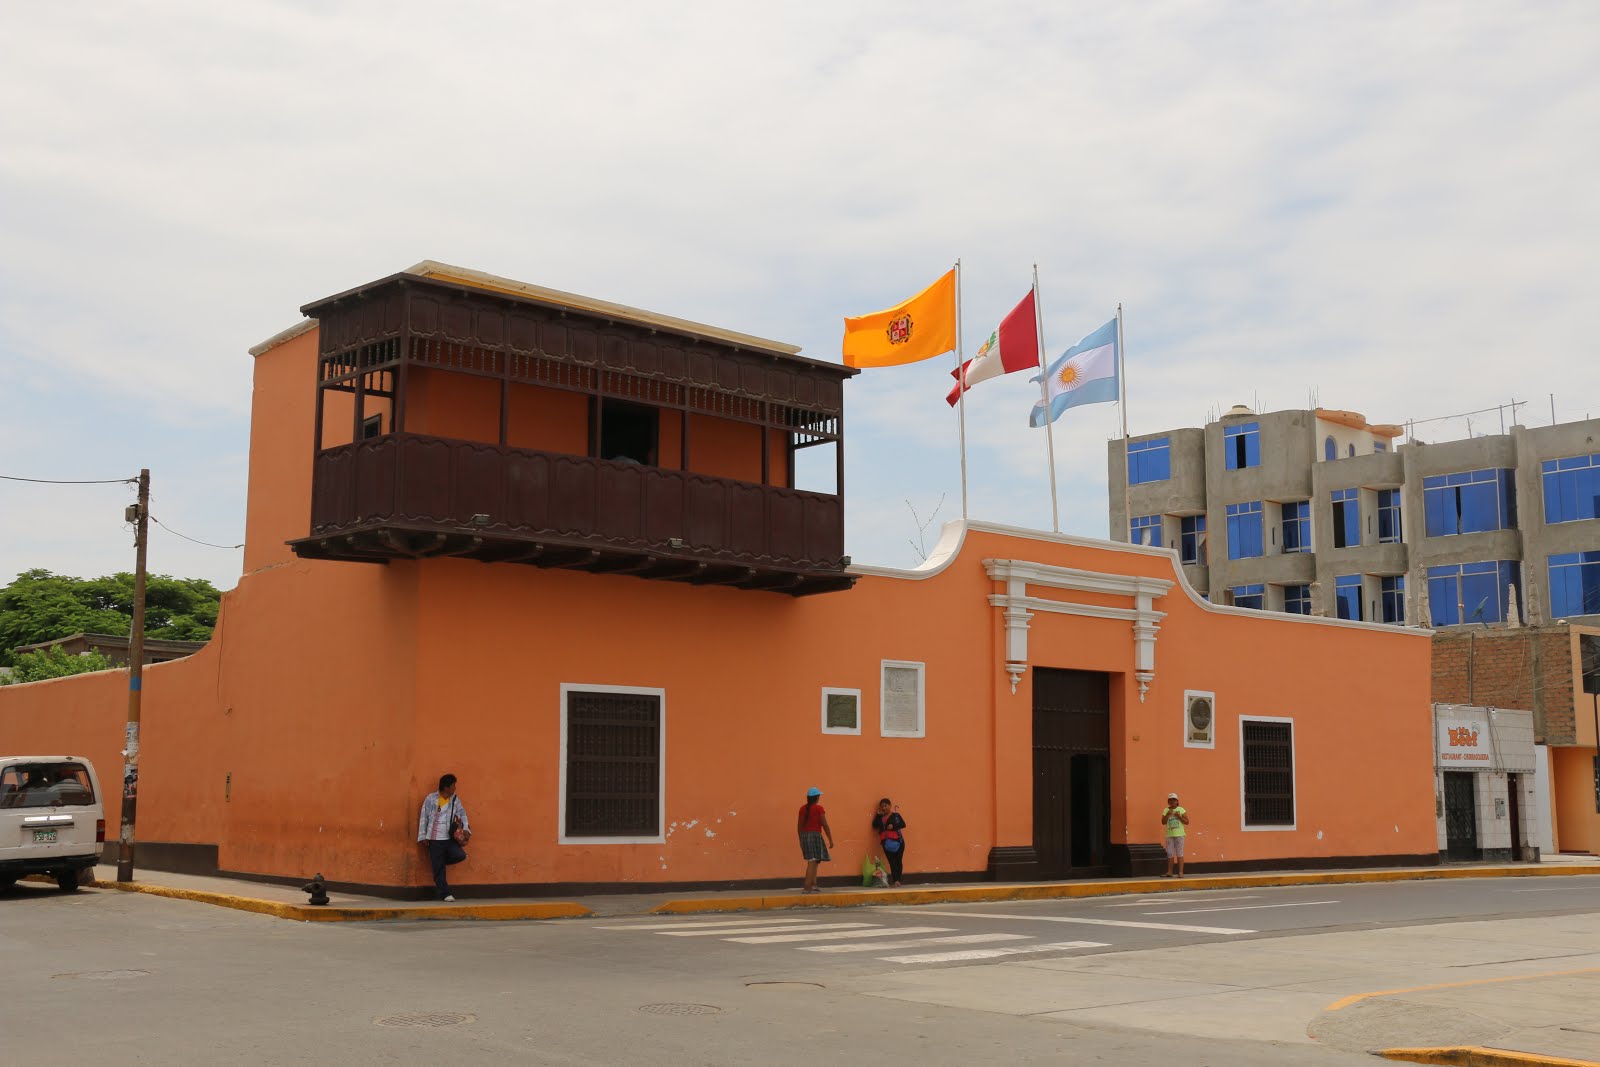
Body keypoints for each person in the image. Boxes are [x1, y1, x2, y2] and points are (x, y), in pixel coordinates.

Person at [417, 773, 471, 901]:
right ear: (446, 787)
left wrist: (466, 829)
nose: (455, 788)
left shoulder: (455, 800)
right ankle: (445, 893)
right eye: (453, 786)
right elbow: (424, 817)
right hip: (434, 839)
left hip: (449, 838)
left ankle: (439, 862)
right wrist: (423, 836)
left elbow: (462, 814)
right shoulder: (431, 799)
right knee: (439, 870)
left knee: (460, 855)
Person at [796, 787, 834, 893]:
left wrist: (800, 839)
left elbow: (799, 826)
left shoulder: (802, 809)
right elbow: (825, 824)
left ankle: (813, 884)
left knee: (815, 860)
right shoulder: (819, 808)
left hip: (804, 836)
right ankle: (807, 887)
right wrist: (830, 839)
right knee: (812, 861)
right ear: (817, 797)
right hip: (815, 835)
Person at [871, 797, 907, 886]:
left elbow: (903, 824)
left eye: (885, 805)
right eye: (882, 806)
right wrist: (878, 815)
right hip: (886, 843)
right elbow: (875, 825)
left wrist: (893, 826)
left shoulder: (896, 816)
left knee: (898, 861)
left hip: (899, 842)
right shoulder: (880, 817)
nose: (884, 808)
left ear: (890, 806)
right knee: (892, 861)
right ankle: (895, 880)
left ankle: (898, 880)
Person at [1161, 791, 1189, 878]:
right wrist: (1167, 815)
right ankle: (1170, 872)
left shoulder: (1181, 810)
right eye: (1170, 800)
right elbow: (1163, 822)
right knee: (1170, 853)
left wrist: (1179, 816)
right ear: (1168, 802)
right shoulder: (1166, 810)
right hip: (1169, 835)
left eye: (1174, 800)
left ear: (1177, 801)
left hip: (1179, 835)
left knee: (1179, 853)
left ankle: (1180, 872)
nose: (1172, 802)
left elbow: (1187, 822)